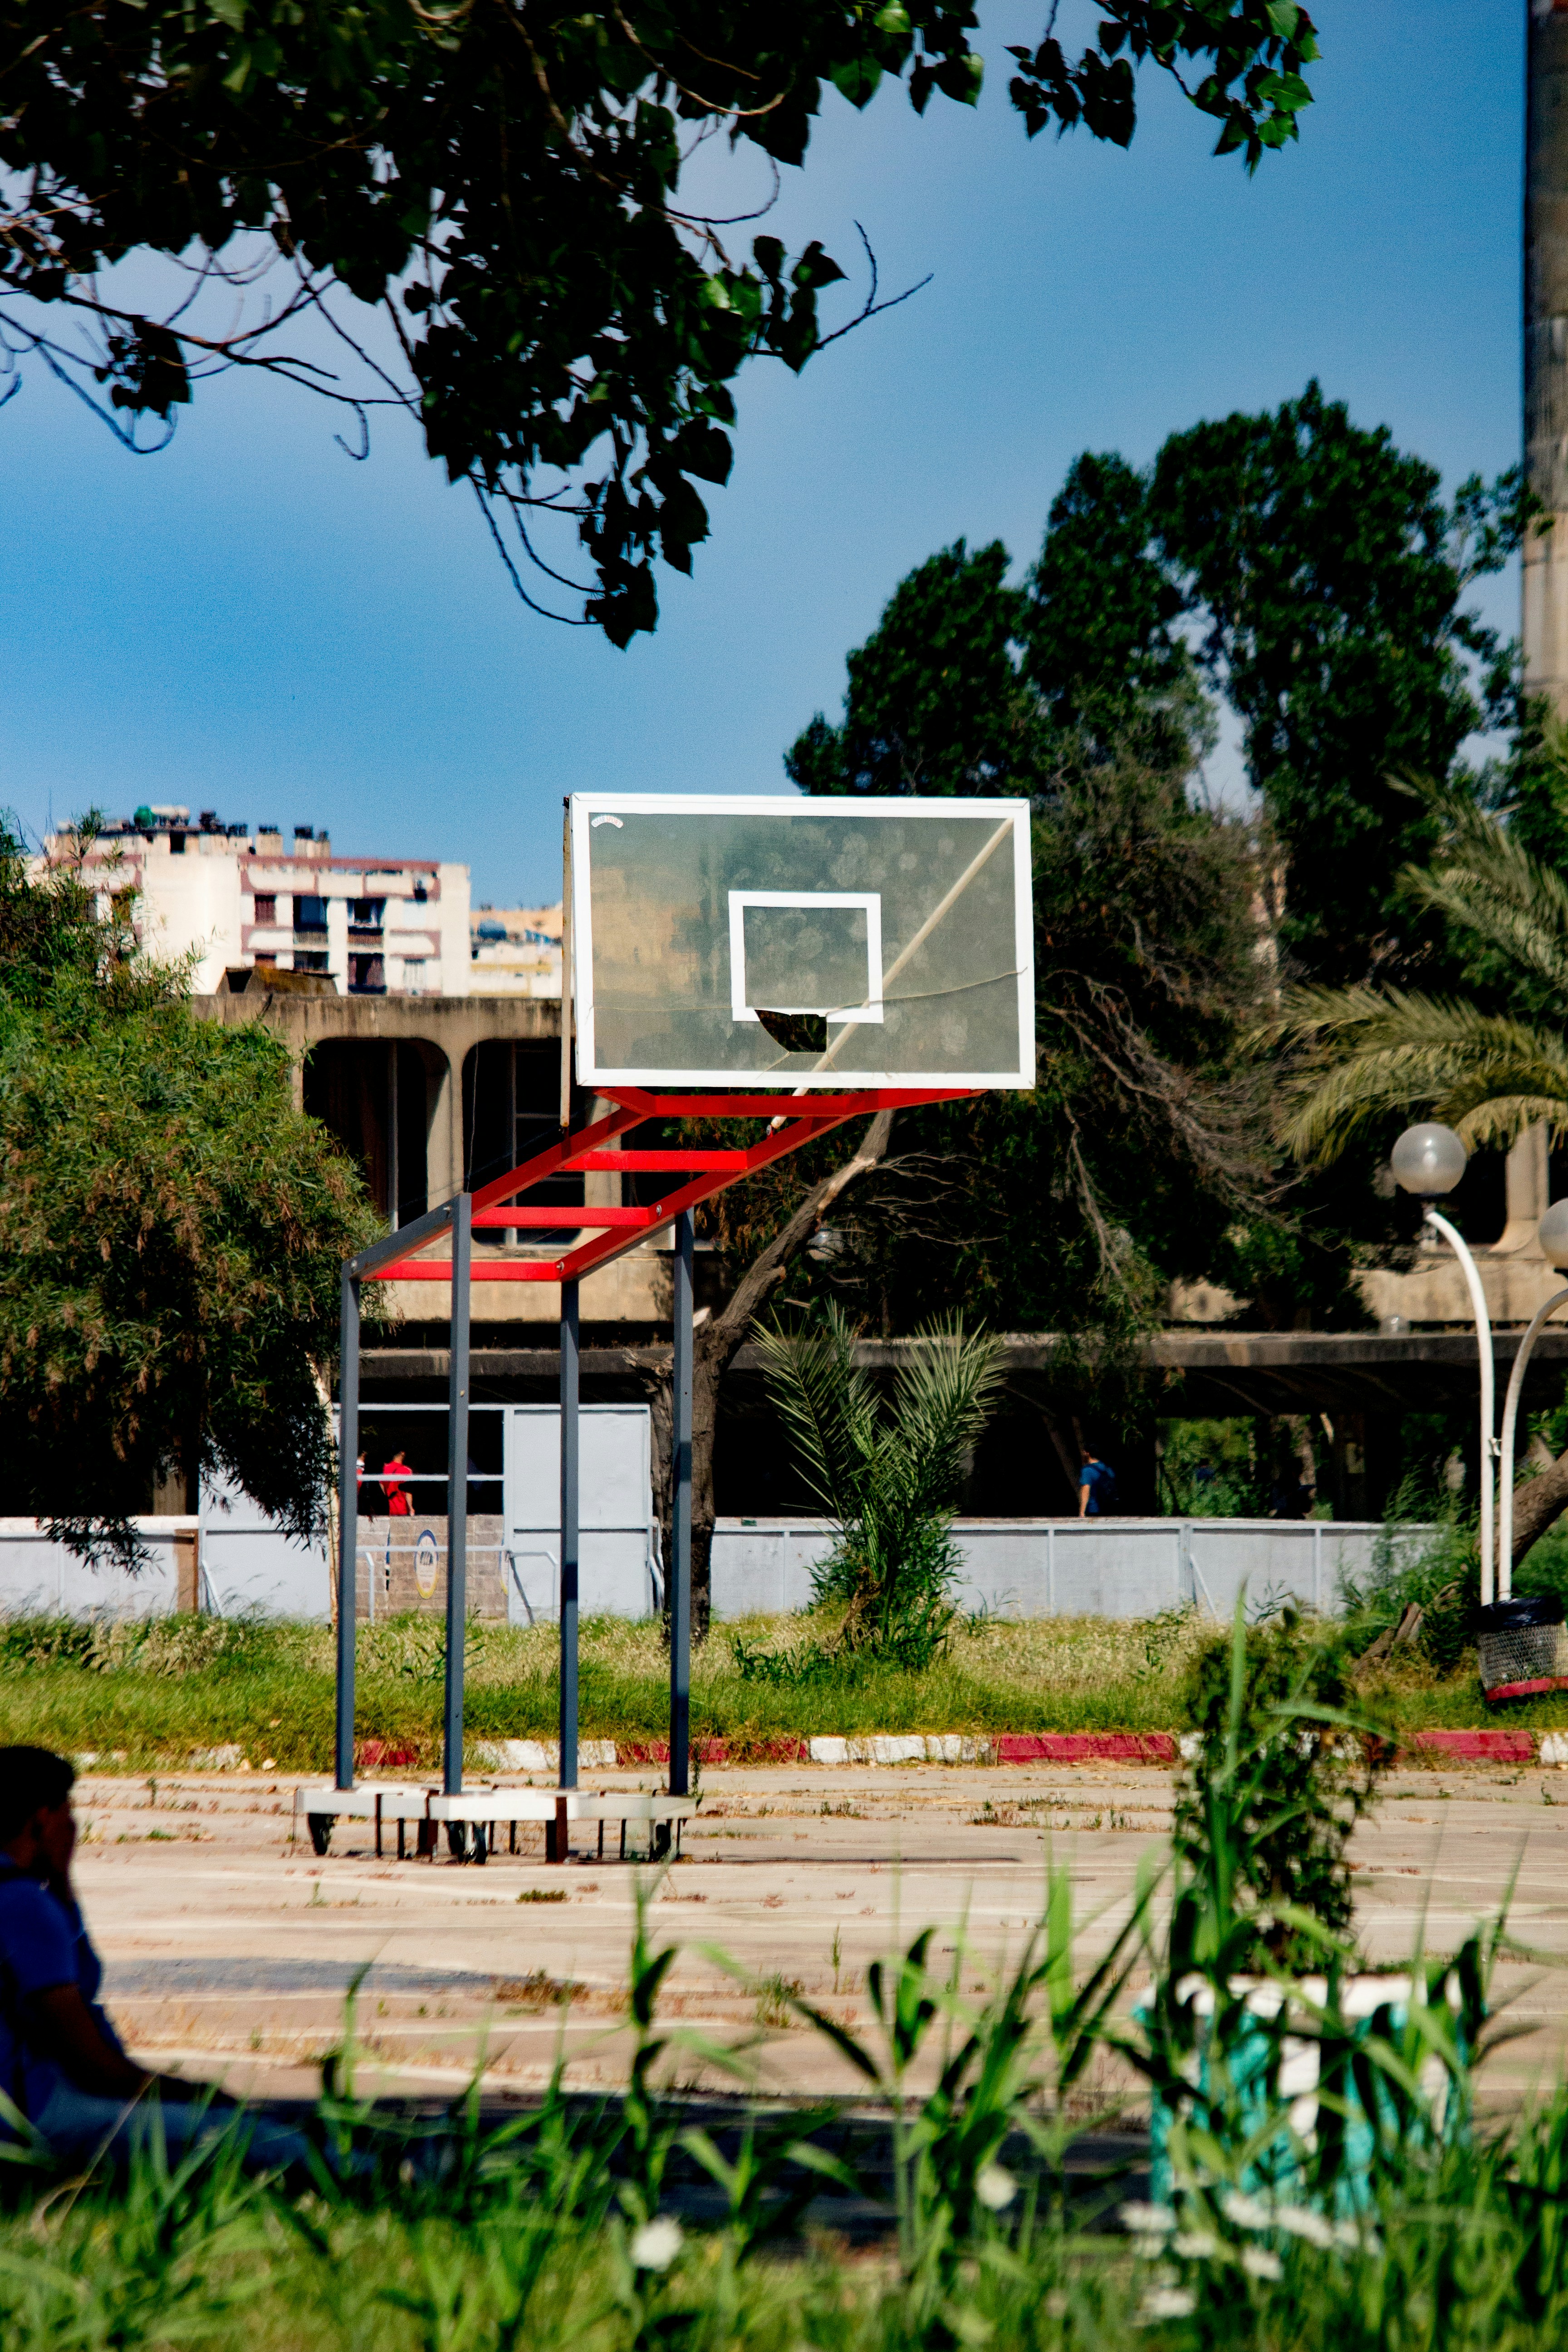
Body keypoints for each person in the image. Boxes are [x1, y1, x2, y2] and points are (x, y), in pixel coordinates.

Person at [0, 1746, 306, 2172]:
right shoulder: (22, 1905)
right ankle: (371, 2172)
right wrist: (186, 2092)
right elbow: (88, 2062)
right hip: (29, 2116)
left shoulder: (22, 1898)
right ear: (43, 1818)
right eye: (68, 1812)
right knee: (244, 2135)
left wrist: (60, 1883)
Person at [1078, 1452, 1117, 1517]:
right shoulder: (1107, 1468)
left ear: (1088, 1453)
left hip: (1093, 1509)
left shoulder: (1087, 1470)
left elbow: (1086, 1492)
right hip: (1110, 1507)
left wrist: (1082, 1512)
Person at [380, 1447, 414, 1517]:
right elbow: (408, 1493)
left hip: (388, 1510)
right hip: (403, 1510)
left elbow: (381, 1488)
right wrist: (411, 1508)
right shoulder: (407, 1471)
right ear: (403, 1453)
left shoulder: (384, 1468)